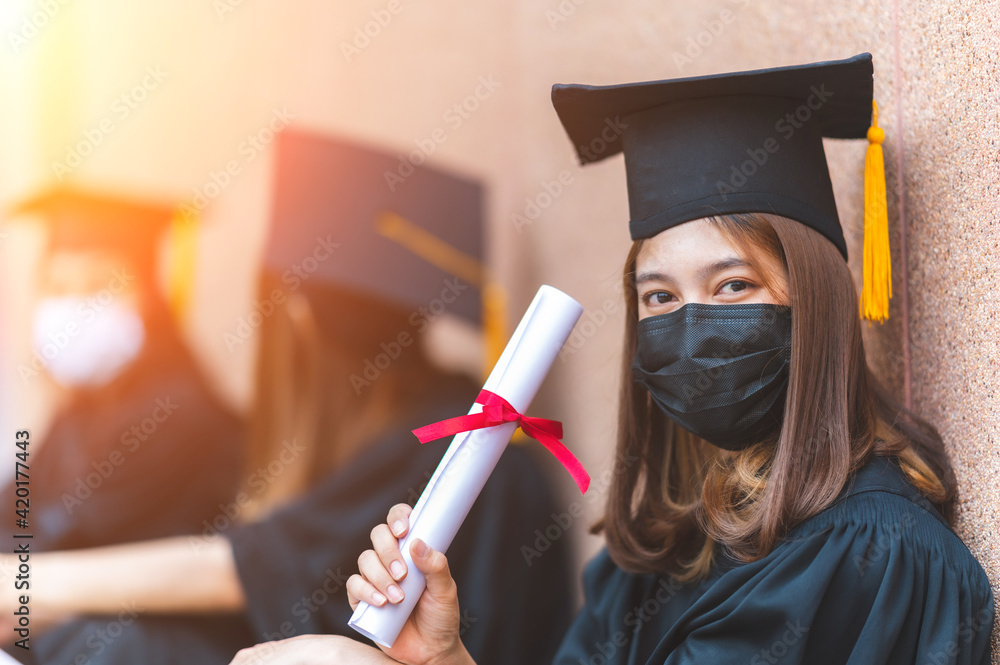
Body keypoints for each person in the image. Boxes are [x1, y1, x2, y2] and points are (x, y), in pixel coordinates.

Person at [230, 53, 995, 665]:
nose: (689, 325)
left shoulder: (866, 555)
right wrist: (443, 655)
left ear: (816, 302)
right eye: (658, 297)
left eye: (732, 284)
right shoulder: (667, 541)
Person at [6, 130, 574, 665]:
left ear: (299, 322)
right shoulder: (406, 433)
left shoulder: (442, 446)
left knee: (111, 647)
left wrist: (28, 585)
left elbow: (251, 566)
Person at [2, 187, 243, 552]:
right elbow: (13, 509)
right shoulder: (82, 409)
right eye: (57, 286)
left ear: (150, 298)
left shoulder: (176, 414)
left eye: (101, 284)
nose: (75, 307)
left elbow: (64, 543)